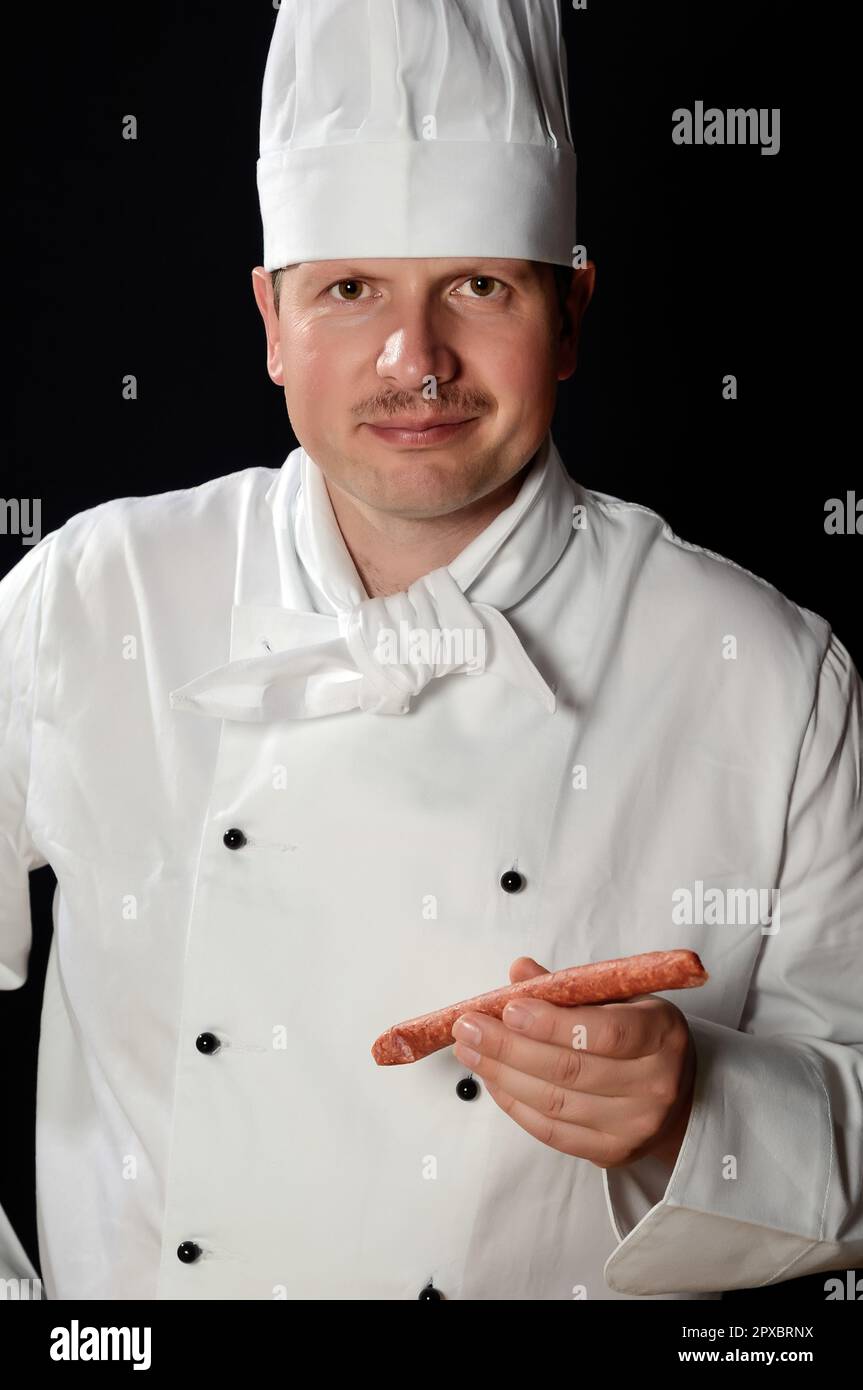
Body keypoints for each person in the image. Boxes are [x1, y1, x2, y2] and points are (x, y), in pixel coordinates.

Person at [1, 0, 861, 1302]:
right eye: (350, 289)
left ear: (569, 315)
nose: (418, 361)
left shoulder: (776, 677)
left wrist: (695, 1103)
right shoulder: (91, 596)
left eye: (478, 285)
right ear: (271, 318)